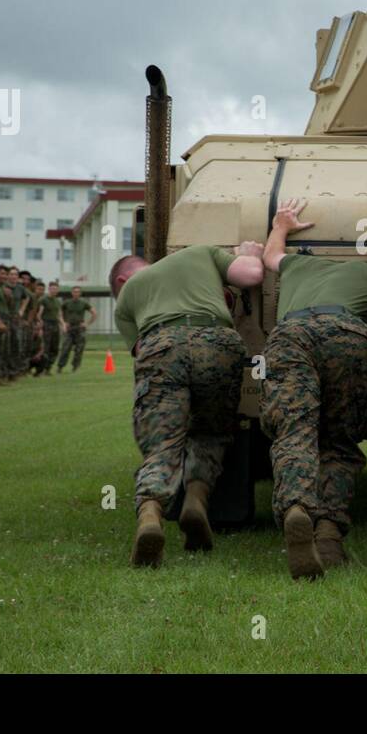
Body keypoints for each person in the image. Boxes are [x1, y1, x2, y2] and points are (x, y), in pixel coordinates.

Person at [260, 199, 367, 579]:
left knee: (294, 434)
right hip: (346, 336)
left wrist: (282, 224)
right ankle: (328, 536)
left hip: (291, 336)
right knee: (339, 443)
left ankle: (296, 510)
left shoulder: (299, 264)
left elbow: (272, 256)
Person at [111, 241, 264, 567]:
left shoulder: (124, 302)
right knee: (212, 431)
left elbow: (141, 352)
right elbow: (250, 276)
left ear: (122, 281)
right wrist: (248, 253)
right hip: (217, 343)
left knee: (163, 443)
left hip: (162, 347)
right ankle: (196, 501)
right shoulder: (201, 253)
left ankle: (151, 514)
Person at [57, 286, 96, 372]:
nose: (76, 293)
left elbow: (94, 313)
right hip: (69, 328)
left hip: (79, 328)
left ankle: (75, 367)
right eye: (74, 292)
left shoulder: (83, 303)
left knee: (79, 349)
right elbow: (59, 313)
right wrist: (63, 324)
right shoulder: (66, 303)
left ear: (80, 293)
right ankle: (60, 367)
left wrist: (87, 324)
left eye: (78, 292)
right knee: (65, 349)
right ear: (72, 293)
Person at [39, 281, 64, 375]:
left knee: (55, 348)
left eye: (56, 289)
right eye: (52, 289)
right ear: (49, 289)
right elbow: (39, 314)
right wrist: (40, 325)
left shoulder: (58, 301)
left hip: (55, 325)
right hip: (46, 324)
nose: (54, 290)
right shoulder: (44, 300)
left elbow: (59, 314)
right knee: (46, 347)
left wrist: (63, 324)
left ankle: (48, 368)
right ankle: (42, 368)